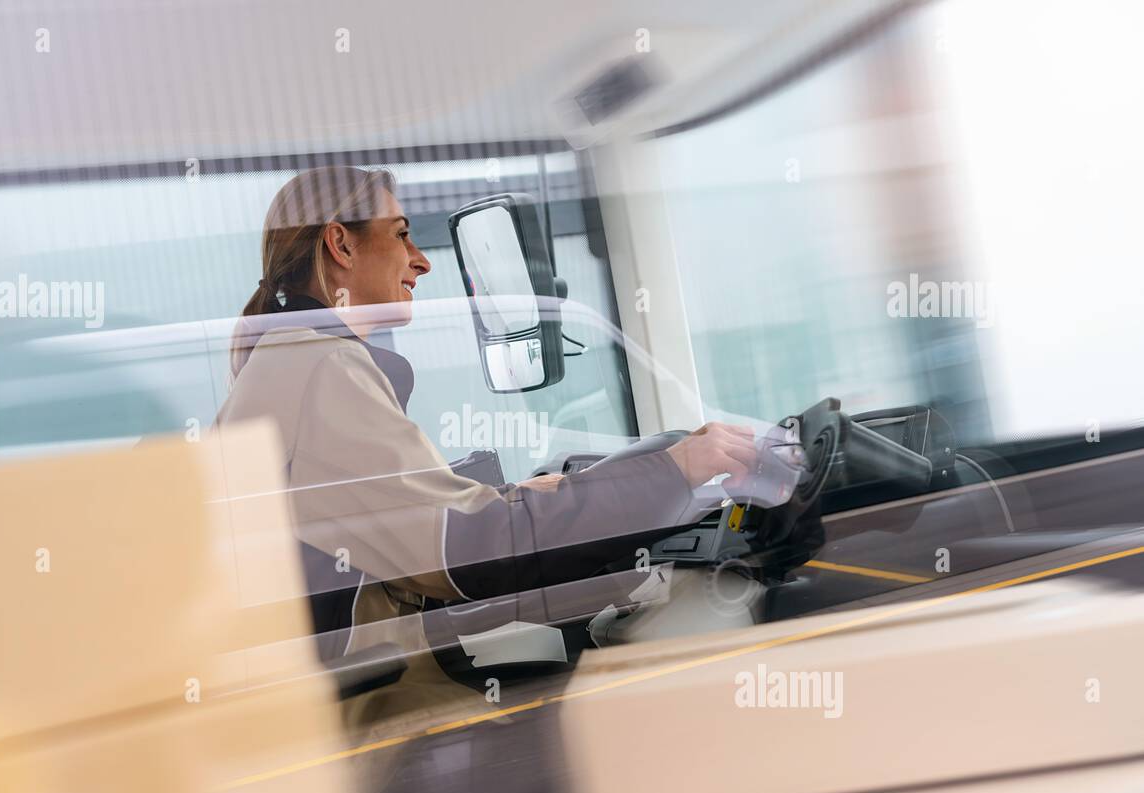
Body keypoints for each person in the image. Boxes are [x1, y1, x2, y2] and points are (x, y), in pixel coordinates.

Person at [215, 166, 778, 666]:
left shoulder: (287, 361)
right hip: (375, 715)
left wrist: (521, 500)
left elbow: (398, 534)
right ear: (340, 243)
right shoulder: (323, 365)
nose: (422, 260)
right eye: (402, 233)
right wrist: (674, 468)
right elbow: (469, 555)